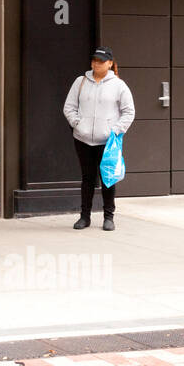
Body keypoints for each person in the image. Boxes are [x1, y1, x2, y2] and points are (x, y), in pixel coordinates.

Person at [62, 47, 134, 231]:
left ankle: (108, 217)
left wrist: (115, 131)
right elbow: (69, 107)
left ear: (110, 63)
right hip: (83, 139)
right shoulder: (81, 81)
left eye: (101, 61)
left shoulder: (119, 85)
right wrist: (77, 124)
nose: (96, 63)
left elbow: (129, 112)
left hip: (107, 141)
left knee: (107, 179)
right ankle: (84, 217)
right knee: (87, 178)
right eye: (94, 60)